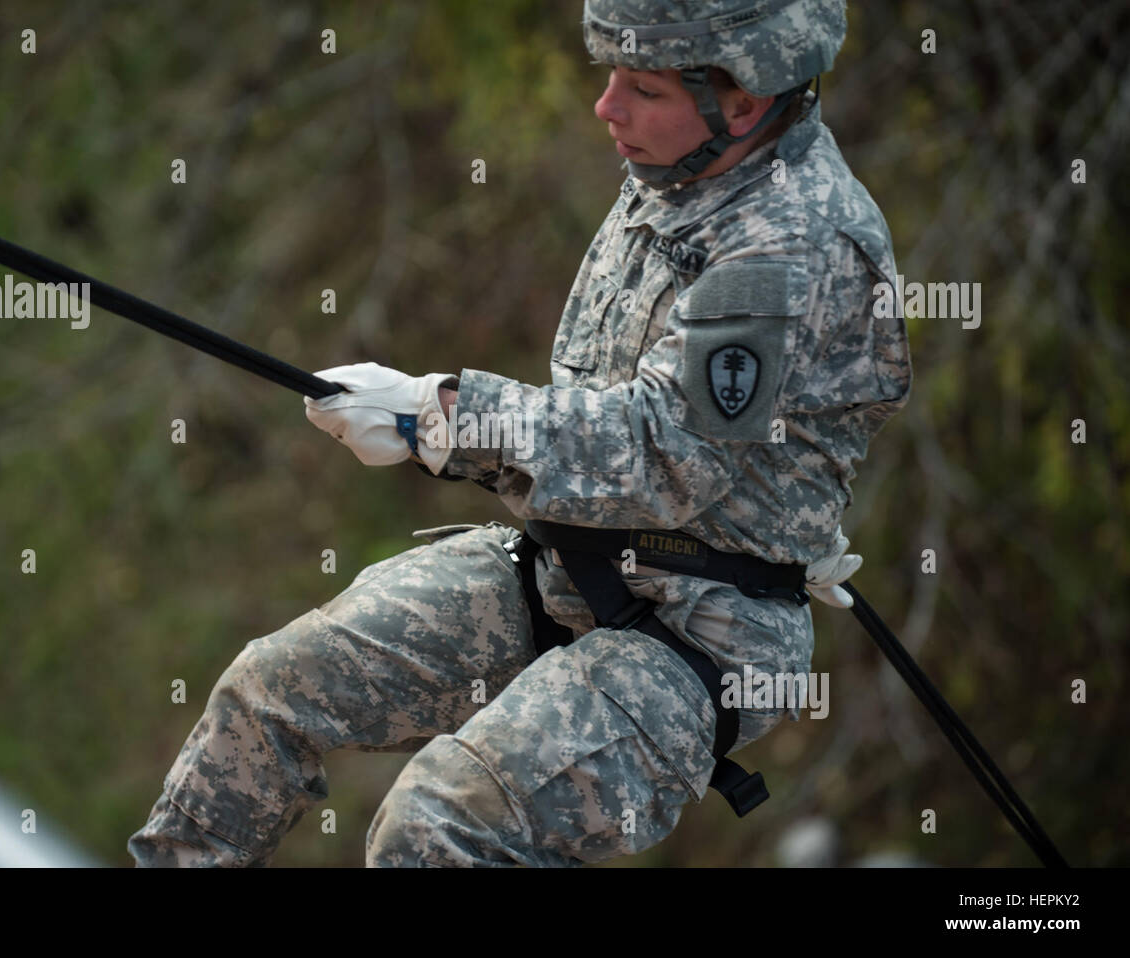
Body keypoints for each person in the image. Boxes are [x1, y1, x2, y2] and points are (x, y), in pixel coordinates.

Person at [128, 0, 910, 867]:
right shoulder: (680, 170)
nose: (606, 108)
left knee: (434, 830)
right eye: (611, 78)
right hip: (567, 569)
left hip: (702, 631)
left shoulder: (797, 243)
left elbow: (660, 453)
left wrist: (448, 415)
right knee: (268, 692)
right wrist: (439, 423)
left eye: (641, 87)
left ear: (745, 103)